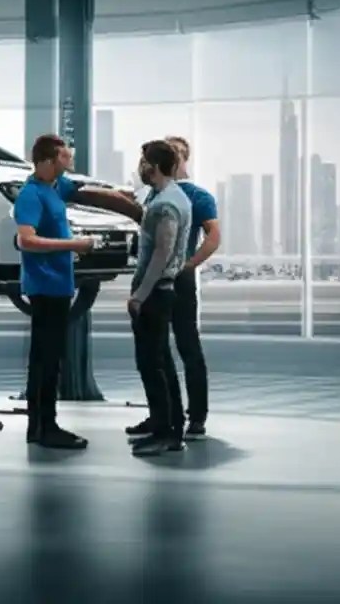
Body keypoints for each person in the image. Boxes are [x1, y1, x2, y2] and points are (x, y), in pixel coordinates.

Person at [125, 136, 220, 441]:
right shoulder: (156, 195)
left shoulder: (194, 197)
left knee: (186, 345)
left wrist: (189, 264)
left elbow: (213, 236)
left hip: (177, 276)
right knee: (158, 352)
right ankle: (164, 417)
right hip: (163, 275)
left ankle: (195, 417)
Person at [13, 133, 104, 449]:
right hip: (45, 285)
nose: (70, 160)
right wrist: (74, 244)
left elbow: (84, 189)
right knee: (46, 358)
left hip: (58, 284)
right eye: (65, 156)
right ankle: (45, 427)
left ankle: (40, 426)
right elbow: (26, 240)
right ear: (48, 161)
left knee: (49, 356)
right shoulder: (30, 195)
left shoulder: (55, 187)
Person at [125, 140, 193, 457]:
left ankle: (167, 433)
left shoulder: (166, 205)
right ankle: (167, 427)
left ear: (154, 166)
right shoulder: (169, 197)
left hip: (155, 292)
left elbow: (162, 252)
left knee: (153, 365)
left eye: (144, 161)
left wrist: (140, 295)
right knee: (159, 362)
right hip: (160, 290)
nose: (140, 167)